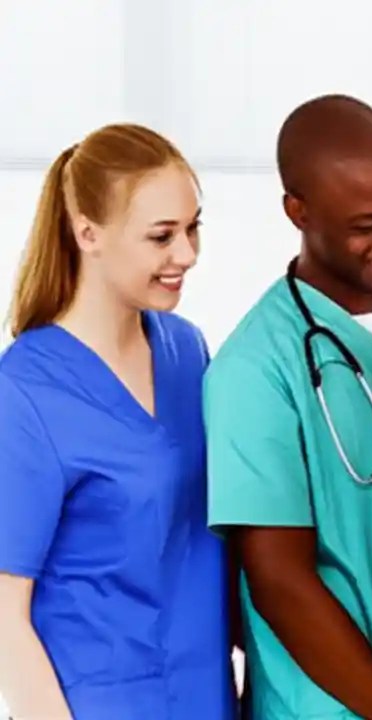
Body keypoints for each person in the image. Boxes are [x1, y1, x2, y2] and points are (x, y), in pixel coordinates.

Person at [203, 95, 372, 719]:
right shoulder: (256, 367)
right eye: (366, 222)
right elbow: (280, 584)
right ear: (299, 211)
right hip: (326, 707)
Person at [0, 124, 234, 718]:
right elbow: (5, 615)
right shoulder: (27, 391)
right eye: (162, 236)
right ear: (88, 234)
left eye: (192, 228)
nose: (186, 254)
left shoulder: (187, 351)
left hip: (205, 696)